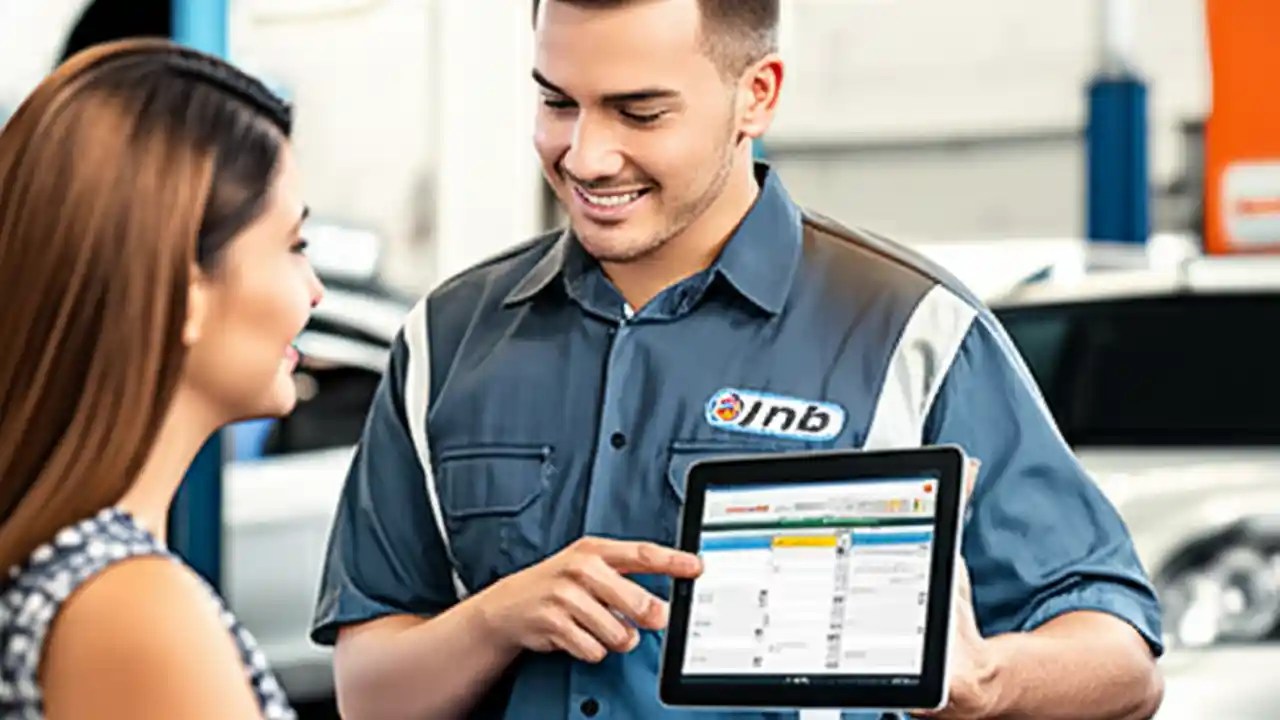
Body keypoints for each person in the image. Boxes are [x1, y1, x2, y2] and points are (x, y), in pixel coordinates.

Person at [311, 1, 1164, 718]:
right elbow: (368, 696)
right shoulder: (448, 340)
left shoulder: (911, 332)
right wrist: (497, 619)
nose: (586, 155)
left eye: (639, 113)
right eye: (557, 102)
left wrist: (984, 680)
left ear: (757, 95)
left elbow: (1125, 664)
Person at [0, 39, 323, 719]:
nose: (315, 291)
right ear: (184, 293)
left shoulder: (83, 581)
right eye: (294, 246)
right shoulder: (128, 609)